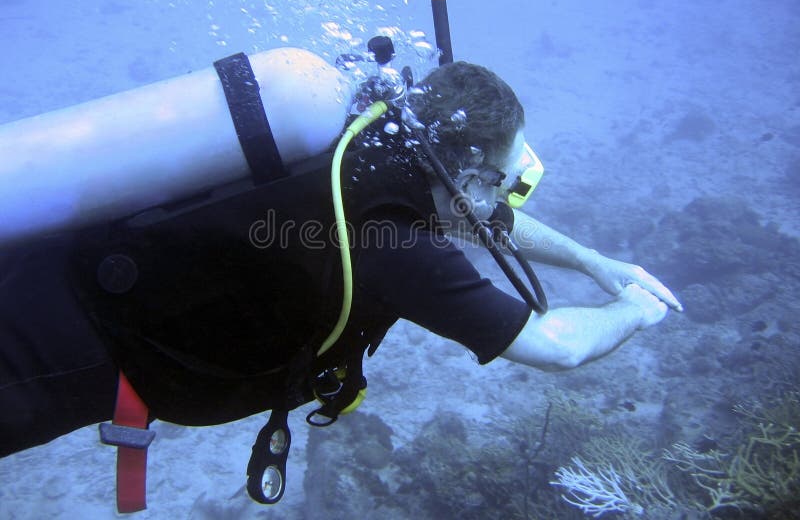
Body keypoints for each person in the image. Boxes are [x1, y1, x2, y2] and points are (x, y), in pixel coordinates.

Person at [0, 55, 681, 508]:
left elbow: (481, 217)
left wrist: (597, 262)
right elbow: (554, 344)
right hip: (54, 351)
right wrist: (634, 310)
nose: (501, 198)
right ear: (465, 163)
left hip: (54, 269)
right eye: (498, 180)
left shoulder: (378, 132)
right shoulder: (395, 243)